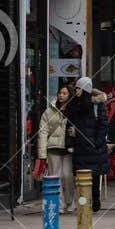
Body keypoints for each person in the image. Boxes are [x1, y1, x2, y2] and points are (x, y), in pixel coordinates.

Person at [67, 76, 109, 212]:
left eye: (79, 88)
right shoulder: (75, 103)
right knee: (80, 178)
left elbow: (103, 124)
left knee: (95, 177)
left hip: (93, 146)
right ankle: (83, 202)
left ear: (84, 89)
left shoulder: (96, 105)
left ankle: (95, 200)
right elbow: (69, 119)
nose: (76, 91)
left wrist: (97, 142)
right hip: (80, 146)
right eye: (76, 88)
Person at [36, 83, 75, 212]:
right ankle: (59, 205)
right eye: (60, 93)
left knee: (67, 176)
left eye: (64, 93)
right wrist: (42, 154)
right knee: (55, 177)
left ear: (70, 95)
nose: (61, 95)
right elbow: (42, 132)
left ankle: (70, 202)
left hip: (68, 148)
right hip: (53, 147)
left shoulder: (74, 110)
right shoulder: (49, 111)